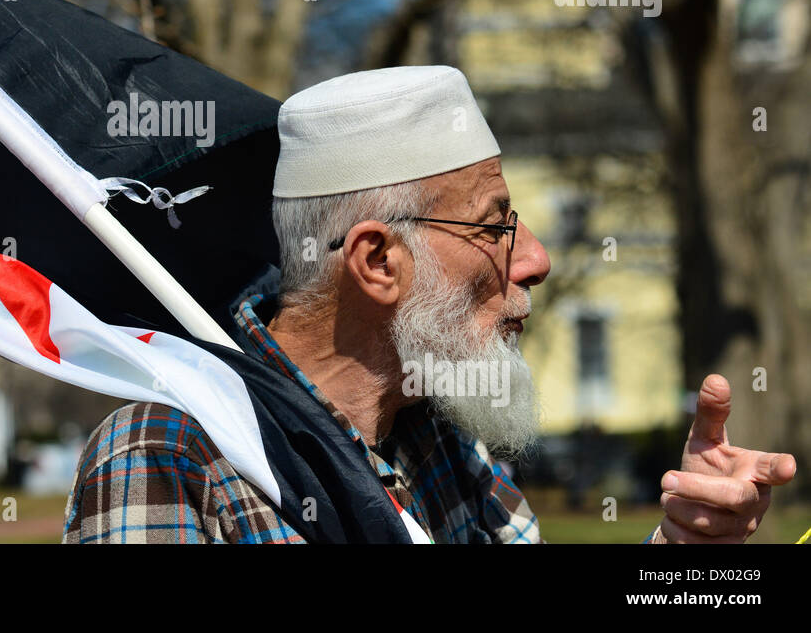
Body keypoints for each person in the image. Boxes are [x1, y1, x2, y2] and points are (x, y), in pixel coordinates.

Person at [62, 66, 798, 543]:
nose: (535, 259)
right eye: (492, 224)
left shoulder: (442, 436)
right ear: (379, 262)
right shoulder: (167, 452)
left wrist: (685, 547)